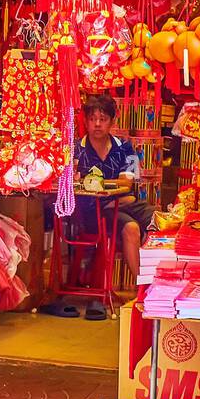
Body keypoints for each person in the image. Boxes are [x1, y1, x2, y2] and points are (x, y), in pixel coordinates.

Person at [71, 95, 154, 314]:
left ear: (112, 121)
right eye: (92, 119)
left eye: (103, 119)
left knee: (157, 219)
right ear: (86, 121)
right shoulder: (76, 149)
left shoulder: (125, 148)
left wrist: (99, 186)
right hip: (91, 213)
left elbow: (127, 183)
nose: (97, 124)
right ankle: (142, 291)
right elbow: (75, 183)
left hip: (121, 205)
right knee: (131, 228)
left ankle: (160, 288)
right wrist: (112, 191)